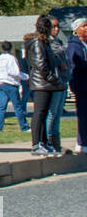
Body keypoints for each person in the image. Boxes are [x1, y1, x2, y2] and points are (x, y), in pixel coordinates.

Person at [24, 15, 63, 156]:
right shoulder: (37, 42)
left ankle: (44, 143)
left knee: (44, 114)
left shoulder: (44, 42)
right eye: (50, 27)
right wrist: (53, 80)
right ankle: (36, 144)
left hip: (46, 84)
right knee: (39, 114)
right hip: (41, 84)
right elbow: (41, 65)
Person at [0, 41, 29, 133]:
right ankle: (24, 126)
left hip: (0, 83)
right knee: (17, 106)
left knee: (2, 106)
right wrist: (25, 76)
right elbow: (14, 72)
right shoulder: (11, 58)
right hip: (10, 83)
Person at [47, 18, 70, 154]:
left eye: (58, 27)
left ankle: (56, 143)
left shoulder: (58, 42)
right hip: (53, 82)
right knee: (51, 113)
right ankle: (49, 142)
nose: (56, 29)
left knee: (57, 114)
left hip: (62, 81)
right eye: (53, 26)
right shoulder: (47, 43)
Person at [66, 17, 87, 155]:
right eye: (84, 26)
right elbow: (74, 65)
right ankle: (82, 143)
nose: (86, 29)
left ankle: (82, 142)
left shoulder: (84, 44)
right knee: (84, 114)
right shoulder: (74, 45)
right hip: (82, 84)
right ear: (76, 29)